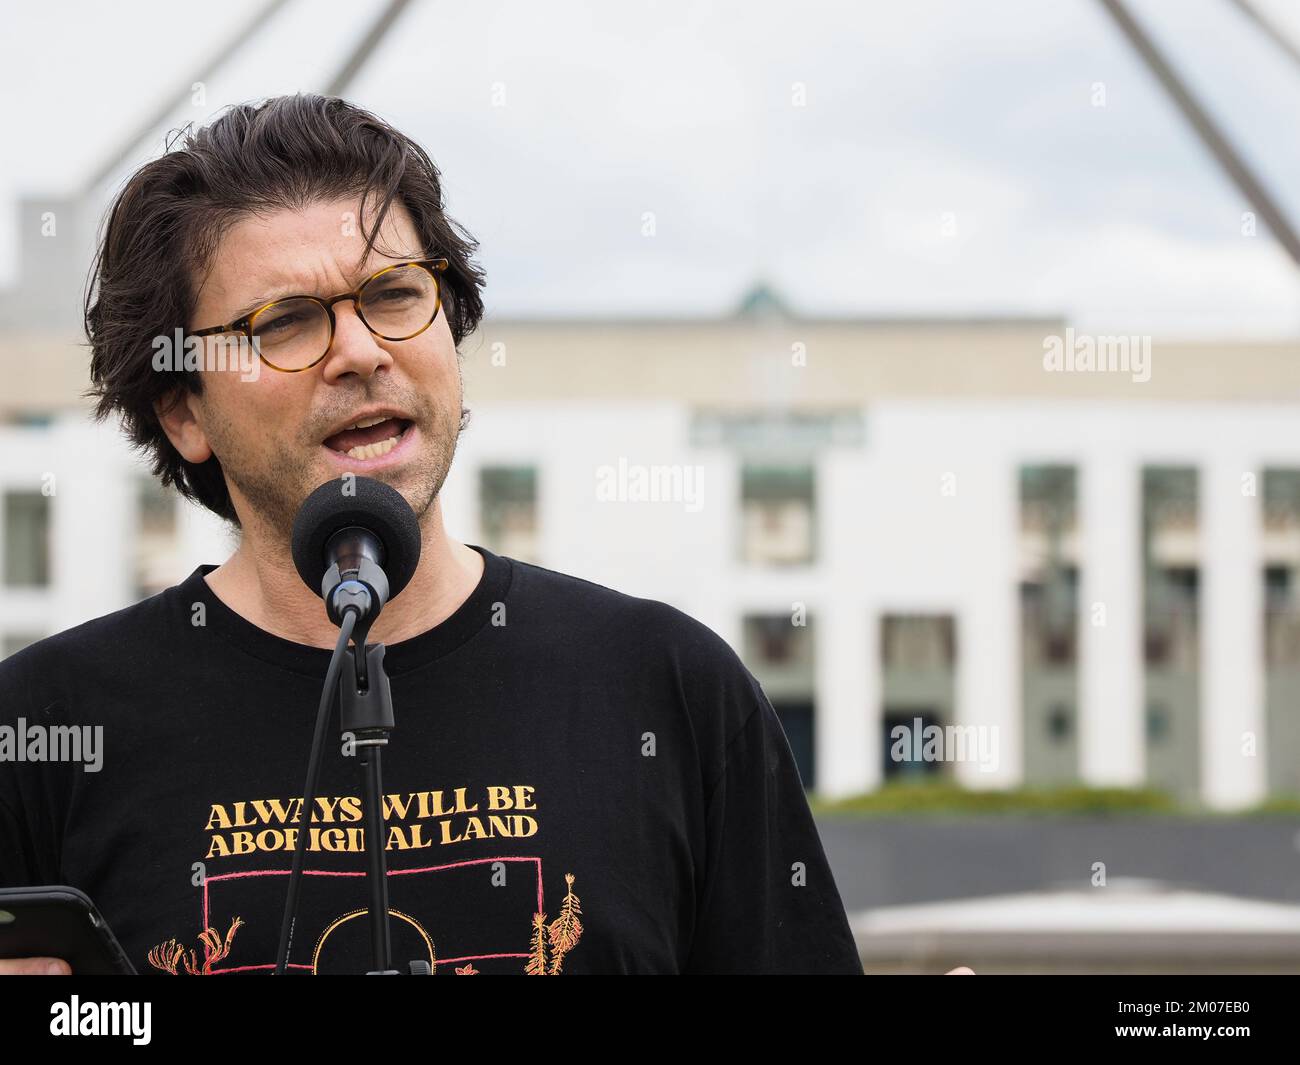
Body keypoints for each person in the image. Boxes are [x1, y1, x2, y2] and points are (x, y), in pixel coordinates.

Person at [0, 93, 863, 975]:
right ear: (185, 410)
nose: (361, 351)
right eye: (286, 322)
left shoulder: (672, 688)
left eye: (395, 294)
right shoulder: (39, 730)